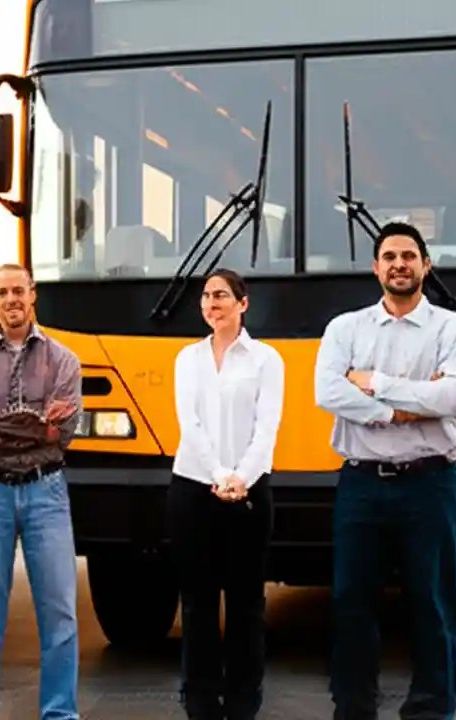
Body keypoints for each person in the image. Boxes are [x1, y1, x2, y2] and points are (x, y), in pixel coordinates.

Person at [314, 222, 456, 720]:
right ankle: (353, 709)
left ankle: (432, 711)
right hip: (361, 484)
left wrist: (375, 384)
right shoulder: (345, 328)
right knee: (351, 604)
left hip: (431, 483)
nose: (399, 264)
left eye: (409, 255)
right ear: (375, 267)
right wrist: (404, 408)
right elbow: (328, 393)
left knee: (433, 604)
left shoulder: (455, 329)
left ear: (426, 266)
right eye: (389, 256)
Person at [0, 263, 82, 720]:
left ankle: (60, 714)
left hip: (47, 493)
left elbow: (63, 432)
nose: (12, 299)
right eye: (2, 292)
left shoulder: (64, 360)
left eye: (19, 291)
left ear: (33, 296)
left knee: (60, 613)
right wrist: (34, 425)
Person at [168, 269, 284, 720]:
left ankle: (243, 700)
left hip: (249, 493)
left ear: (242, 303)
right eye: (206, 296)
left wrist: (242, 477)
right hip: (194, 489)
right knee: (197, 602)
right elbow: (189, 423)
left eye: (220, 295)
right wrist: (218, 474)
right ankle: (199, 700)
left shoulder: (265, 359)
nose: (211, 303)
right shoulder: (187, 358)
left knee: (246, 604)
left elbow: (267, 426)